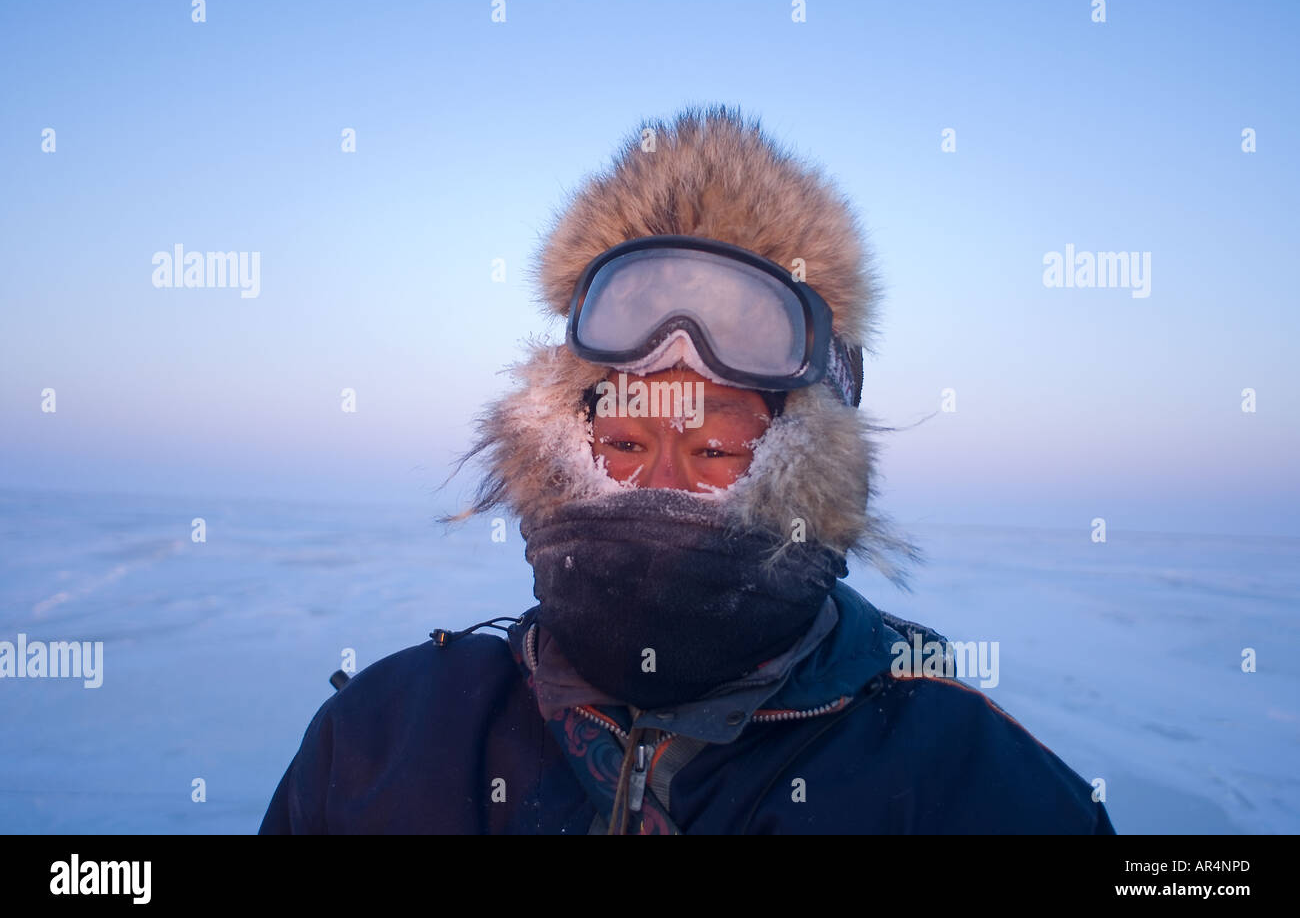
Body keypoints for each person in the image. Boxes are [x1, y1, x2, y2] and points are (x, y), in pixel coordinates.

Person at [259, 104, 1116, 834]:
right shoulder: (385, 736)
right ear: (562, 447)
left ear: (804, 473)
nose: (659, 481)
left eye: (715, 451)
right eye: (625, 445)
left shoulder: (971, 788)